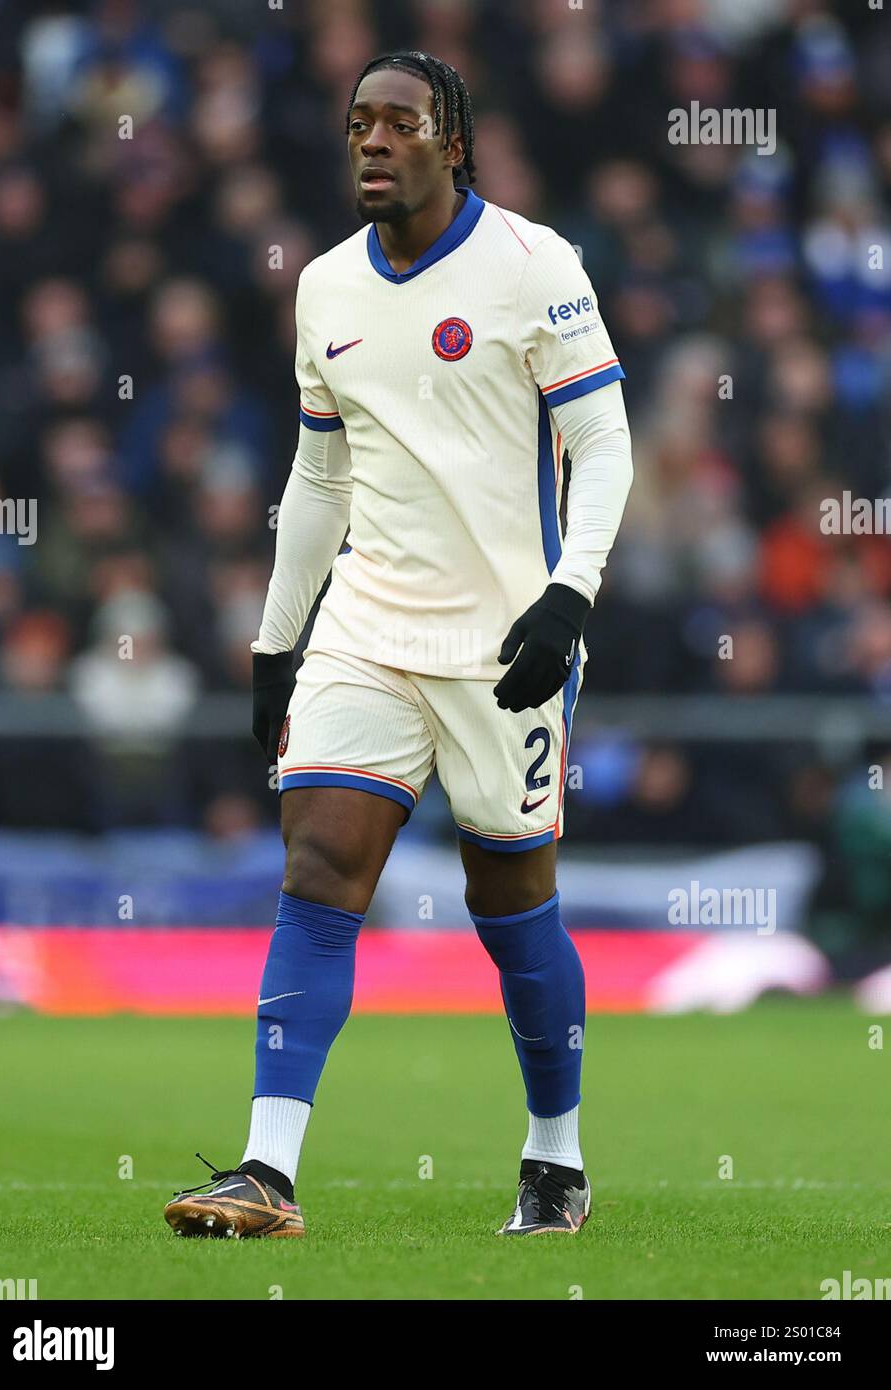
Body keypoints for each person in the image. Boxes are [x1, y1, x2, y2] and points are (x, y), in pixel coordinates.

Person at [164, 49, 633, 1241]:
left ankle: (554, 1155)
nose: (372, 141)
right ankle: (267, 1172)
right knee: (319, 872)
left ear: (452, 141)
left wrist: (572, 595)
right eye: (357, 123)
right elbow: (319, 475)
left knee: (511, 903)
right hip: (365, 627)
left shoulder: (535, 266)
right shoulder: (324, 288)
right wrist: (278, 644)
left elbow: (606, 444)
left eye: (399, 123)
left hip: (505, 642)